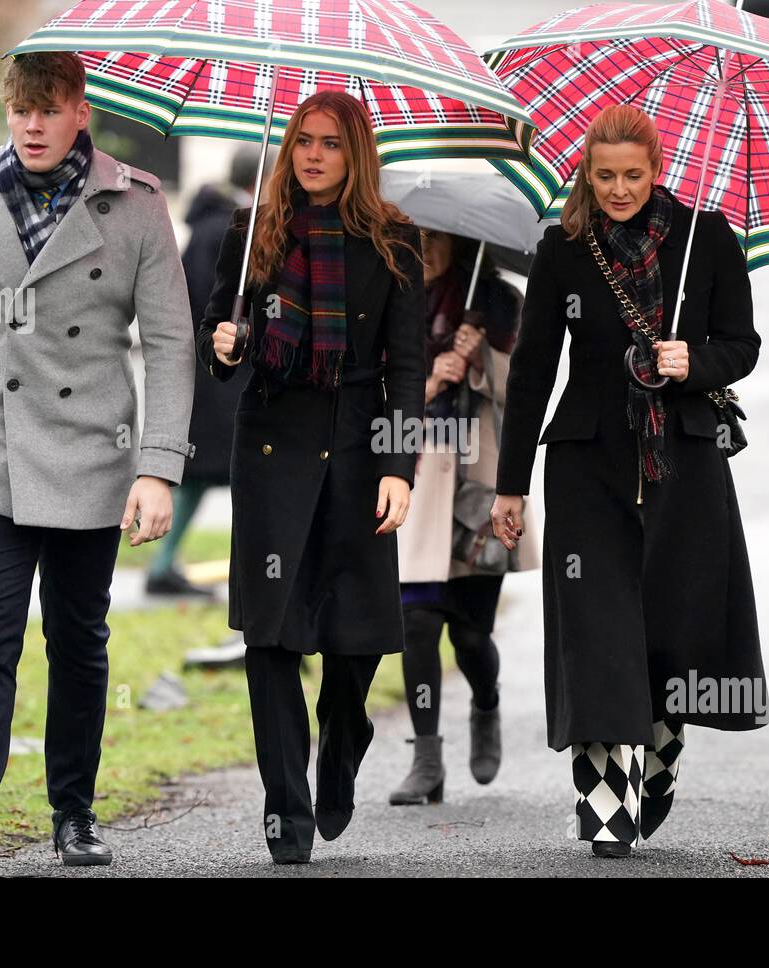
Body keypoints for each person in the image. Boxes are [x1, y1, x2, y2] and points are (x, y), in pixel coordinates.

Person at [0, 52, 195, 874]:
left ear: (80, 112)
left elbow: (171, 343)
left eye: (48, 109)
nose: (31, 125)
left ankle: (74, 812)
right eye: (19, 109)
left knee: (78, 640)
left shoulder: (136, 203)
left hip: (93, 454)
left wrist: (158, 467)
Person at [490, 104, 769, 859]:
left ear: (657, 169)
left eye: (633, 176)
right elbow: (532, 371)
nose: (618, 189)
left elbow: (742, 345)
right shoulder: (563, 248)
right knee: (598, 631)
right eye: (605, 175)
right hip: (587, 465)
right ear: (586, 170)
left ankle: (662, 747)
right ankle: (605, 806)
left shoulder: (707, 238)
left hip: (684, 463)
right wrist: (510, 485)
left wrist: (693, 362)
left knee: (670, 625)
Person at [198, 90, 426, 864]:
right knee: (272, 636)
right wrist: (225, 343)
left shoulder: (394, 241)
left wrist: (399, 467)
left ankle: (342, 743)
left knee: (357, 639)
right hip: (272, 450)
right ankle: (285, 811)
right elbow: (217, 341)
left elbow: (407, 367)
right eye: (303, 141)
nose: (314, 155)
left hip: (360, 452)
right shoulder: (252, 229)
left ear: (354, 154)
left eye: (330, 143)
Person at [389, 230, 538, 804]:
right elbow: (369, 386)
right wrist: (431, 380)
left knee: (472, 634)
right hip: (415, 480)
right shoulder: (392, 294)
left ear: (464, 240)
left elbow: (525, 392)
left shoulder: (501, 303)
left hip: (479, 483)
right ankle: (426, 759)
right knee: (417, 624)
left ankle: (486, 704)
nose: (424, 248)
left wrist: (481, 360)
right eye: (416, 235)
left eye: (437, 238)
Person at [145, 147, 259, 597]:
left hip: (209, 375)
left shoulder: (214, 224)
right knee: (239, 474)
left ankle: (164, 565)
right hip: (218, 377)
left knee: (201, 476)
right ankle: (253, 572)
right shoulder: (229, 229)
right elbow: (211, 305)